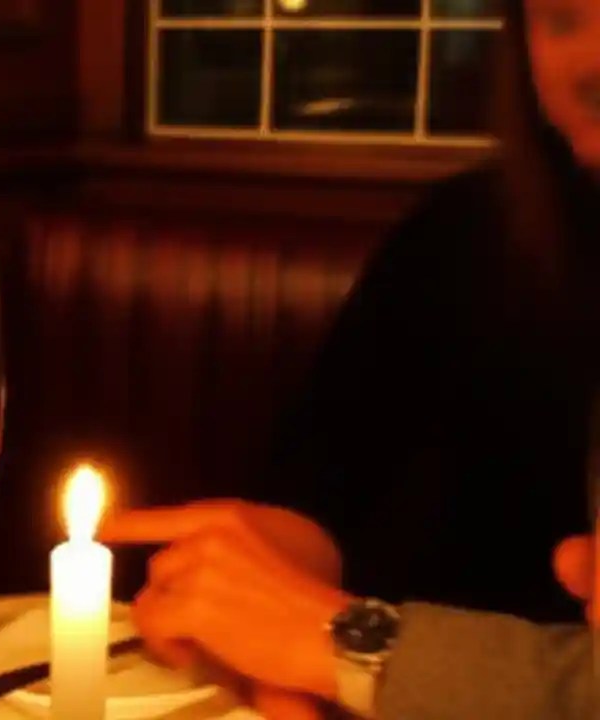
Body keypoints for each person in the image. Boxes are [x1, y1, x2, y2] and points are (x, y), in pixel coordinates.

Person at [103, 0, 599, 716]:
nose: (591, 67)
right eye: (561, 20)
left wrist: (336, 646)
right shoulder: (457, 232)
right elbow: (327, 469)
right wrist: (280, 561)